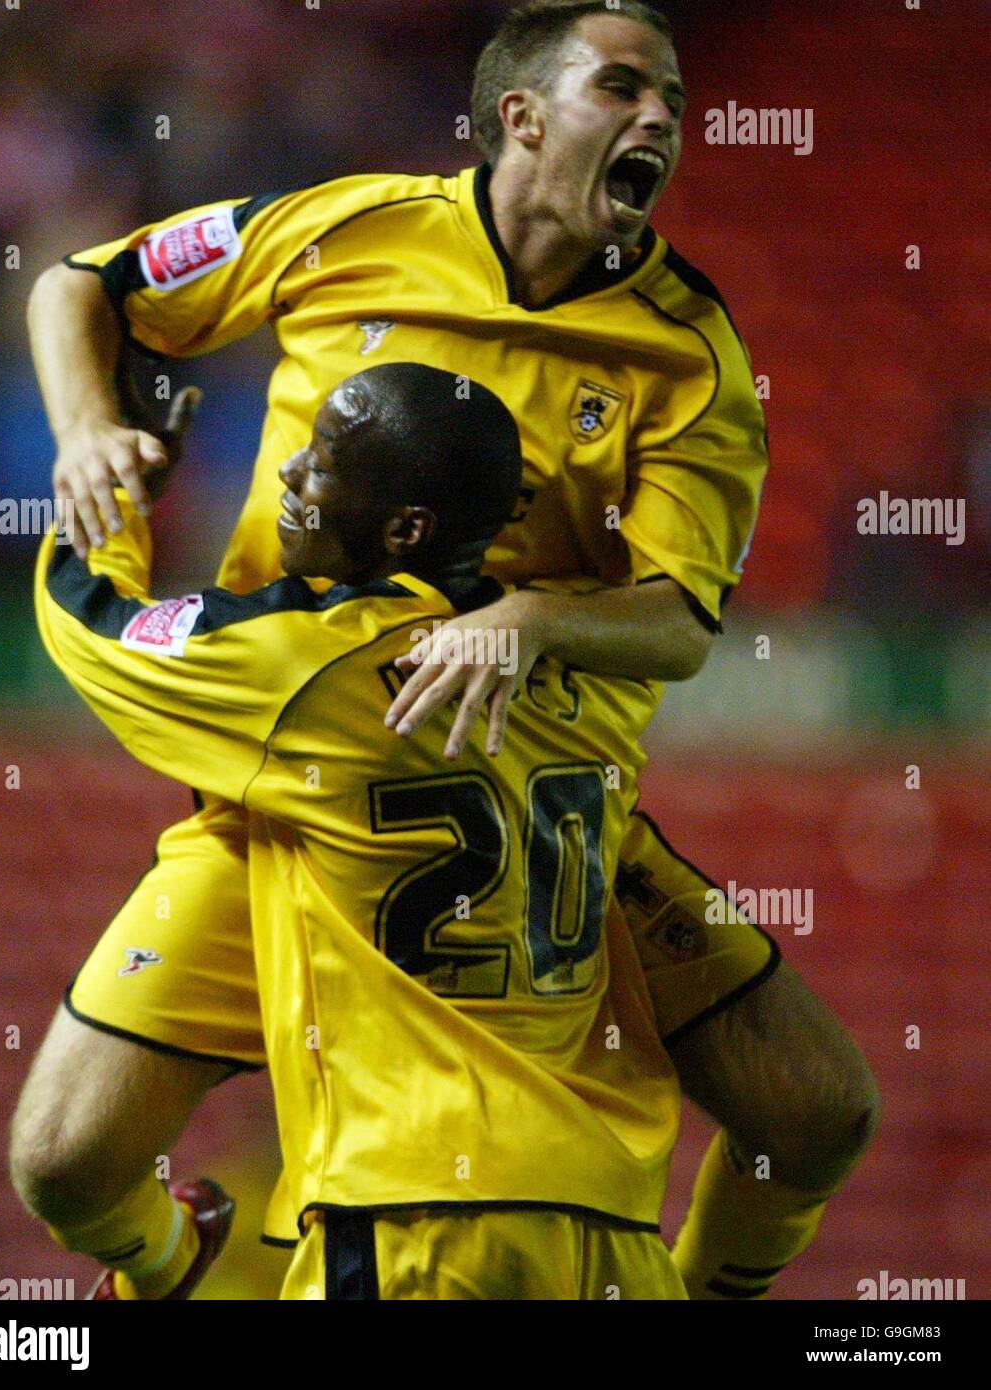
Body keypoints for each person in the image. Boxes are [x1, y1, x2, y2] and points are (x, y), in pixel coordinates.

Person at [12, 0, 878, 1301]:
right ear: (520, 118)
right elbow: (83, 281)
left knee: (818, 1112)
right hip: (298, 777)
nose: (660, 120)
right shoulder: (350, 226)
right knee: (67, 1158)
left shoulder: (688, 353)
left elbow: (681, 622)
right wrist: (85, 434)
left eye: (677, 103)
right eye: (625, 88)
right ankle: (176, 1262)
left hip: (544, 796)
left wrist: (526, 623)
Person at [36, 362, 686, 1300]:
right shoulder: (595, 684)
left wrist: (110, 497)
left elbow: (86, 622)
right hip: (614, 1224)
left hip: (414, 1216)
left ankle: (164, 1262)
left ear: (404, 529)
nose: (287, 479)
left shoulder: (311, 661)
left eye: (321, 466)